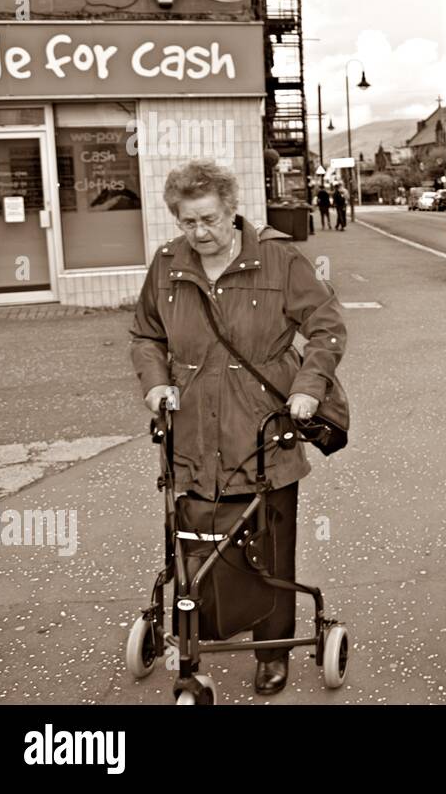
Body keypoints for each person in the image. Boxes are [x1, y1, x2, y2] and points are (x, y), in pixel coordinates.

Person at [130, 159, 347, 696]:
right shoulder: (166, 264)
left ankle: (273, 651)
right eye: (187, 222)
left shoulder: (279, 258)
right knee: (195, 538)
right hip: (192, 436)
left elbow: (327, 326)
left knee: (270, 546)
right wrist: (155, 382)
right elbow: (144, 335)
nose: (199, 233)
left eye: (208, 220)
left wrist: (308, 387)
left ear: (232, 211)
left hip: (264, 429)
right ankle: (197, 637)